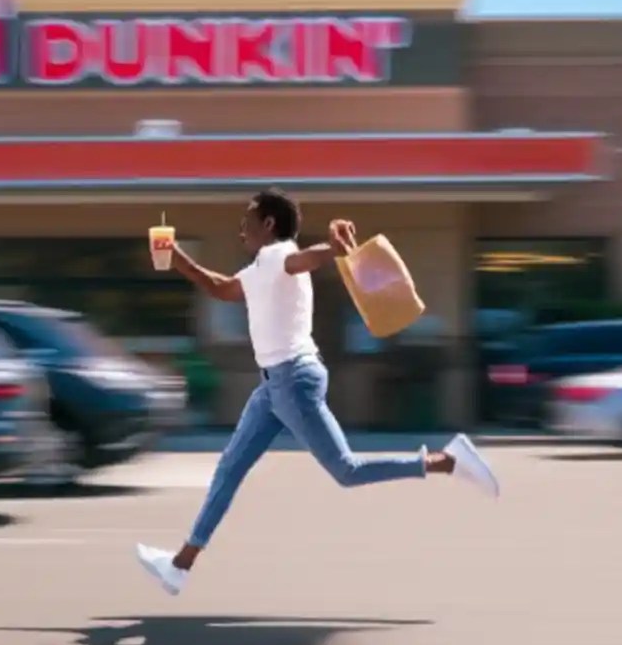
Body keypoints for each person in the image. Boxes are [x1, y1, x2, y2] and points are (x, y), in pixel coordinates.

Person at [135, 188, 500, 596]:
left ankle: (448, 462)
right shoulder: (260, 268)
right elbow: (222, 288)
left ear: (268, 223)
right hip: (273, 387)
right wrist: (176, 258)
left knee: (347, 470)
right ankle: (179, 566)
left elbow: (302, 259)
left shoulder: (279, 256)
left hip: (293, 381)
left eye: (248, 218)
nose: (241, 226)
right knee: (229, 468)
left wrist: (333, 247)